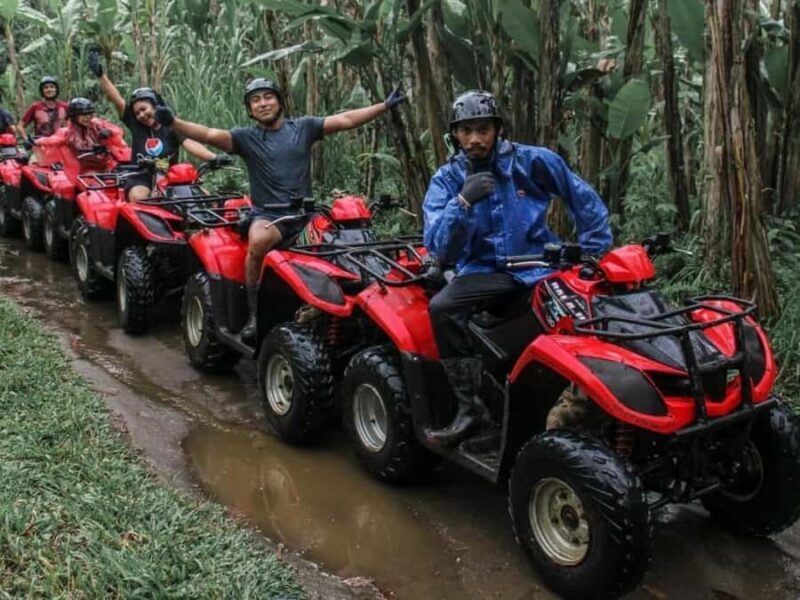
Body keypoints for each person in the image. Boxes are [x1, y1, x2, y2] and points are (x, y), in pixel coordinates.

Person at [422, 90, 613, 446]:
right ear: (455, 135)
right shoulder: (447, 179)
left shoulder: (533, 162)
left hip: (541, 265)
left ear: (498, 129)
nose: (475, 139)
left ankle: (587, 403)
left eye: (482, 129)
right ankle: (472, 409)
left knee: (593, 308)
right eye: (466, 131)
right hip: (485, 271)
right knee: (442, 308)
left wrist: (592, 254)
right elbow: (438, 245)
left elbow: (583, 200)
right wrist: (463, 201)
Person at [153, 77, 407, 342]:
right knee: (258, 241)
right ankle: (253, 315)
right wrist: (173, 122)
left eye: (267, 97)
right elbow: (207, 134)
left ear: (279, 101)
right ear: (250, 109)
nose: (263, 104)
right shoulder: (246, 138)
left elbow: (346, 120)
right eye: (255, 100)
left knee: (345, 245)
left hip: (306, 215)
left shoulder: (303, 128)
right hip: (270, 216)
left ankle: (344, 312)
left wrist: (384, 106)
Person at [87, 49, 219, 201]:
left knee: (209, 201)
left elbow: (190, 143)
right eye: (137, 113)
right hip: (140, 177)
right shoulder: (136, 125)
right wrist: (101, 76)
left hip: (171, 177)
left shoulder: (171, 126)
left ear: (155, 106)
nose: (141, 115)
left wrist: (213, 158)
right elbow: (117, 100)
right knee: (140, 198)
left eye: (144, 109)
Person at [35, 97, 123, 172]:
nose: (88, 117)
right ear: (74, 116)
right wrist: (35, 142)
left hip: (106, 164)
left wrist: (109, 131)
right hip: (83, 169)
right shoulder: (67, 132)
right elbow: (51, 140)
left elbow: (117, 130)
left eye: (90, 113)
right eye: (84, 114)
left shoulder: (97, 124)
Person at [17, 76, 69, 142]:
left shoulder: (65, 107)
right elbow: (20, 126)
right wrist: (27, 140)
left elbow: (73, 125)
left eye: (52, 87)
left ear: (56, 89)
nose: (49, 89)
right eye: (46, 87)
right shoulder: (35, 107)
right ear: (42, 91)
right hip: (41, 145)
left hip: (61, 144)